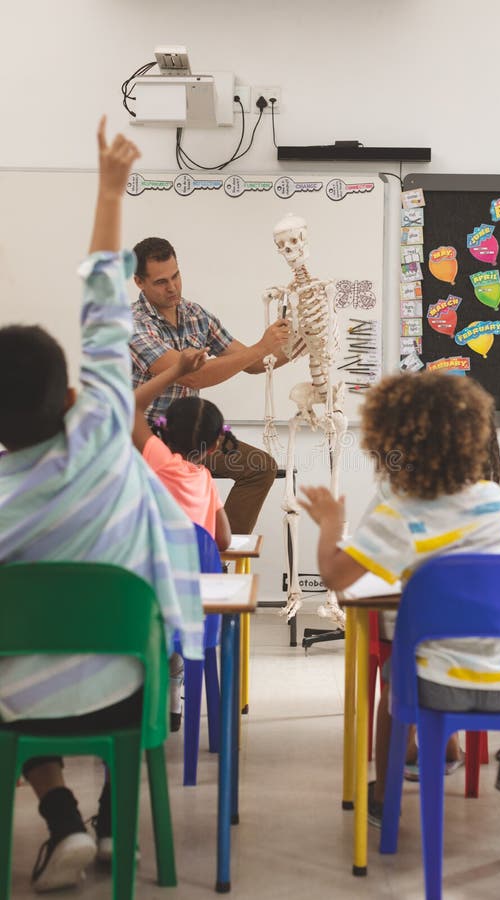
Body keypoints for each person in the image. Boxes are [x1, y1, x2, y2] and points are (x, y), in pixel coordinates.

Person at [0, 119, 203, 891]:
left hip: (22, 704)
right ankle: (120, 824)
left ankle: (61, 820)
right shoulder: (103, 435)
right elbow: (102, 304)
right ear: (72, 395)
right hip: (126, 689)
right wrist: (112, 188)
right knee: (146, 650)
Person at [299, 371, 500, 826]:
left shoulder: (399, 511)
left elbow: (336, 577)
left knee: (391, 687)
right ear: (475, 435)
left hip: (434, 687)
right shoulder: (499, 502)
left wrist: (330, 525)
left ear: (388, 440)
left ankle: (386, 793)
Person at [129, 236, 292, 534]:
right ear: (139, 282)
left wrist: (298, 344)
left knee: (260, 467)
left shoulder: (196, 315)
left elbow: (254, 364)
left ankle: (222, 558)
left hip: (189, 437)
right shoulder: (133, 323)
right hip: (143, 439)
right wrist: (260, 346)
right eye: (161, 282)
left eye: (176, 276)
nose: (173, 287)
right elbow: (191, 375)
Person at [132, 347, 232, 551]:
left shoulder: (162, 463)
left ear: (164, 430)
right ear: (215, 445)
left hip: (160, 575)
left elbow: (130, 407)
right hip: (199, 577)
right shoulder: (205, 480)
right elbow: (223, 540)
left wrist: (177, 370)